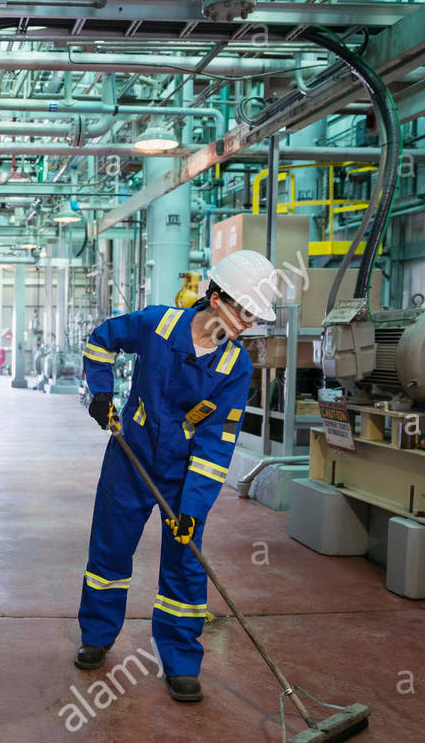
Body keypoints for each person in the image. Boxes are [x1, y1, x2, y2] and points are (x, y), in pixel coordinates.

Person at [75, 250, 277, 702]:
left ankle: (181, 660)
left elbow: (215, 445)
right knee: (110, 549)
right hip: (131, 457)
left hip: (185, 474)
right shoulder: (157, 325)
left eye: (252, 317)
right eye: (241, 311)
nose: (244, 325)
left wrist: (193, 507)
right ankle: (97, 635)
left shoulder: (235, 367)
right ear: (214, 296)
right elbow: (100, 340)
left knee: (185, 567)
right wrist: (101, 394)